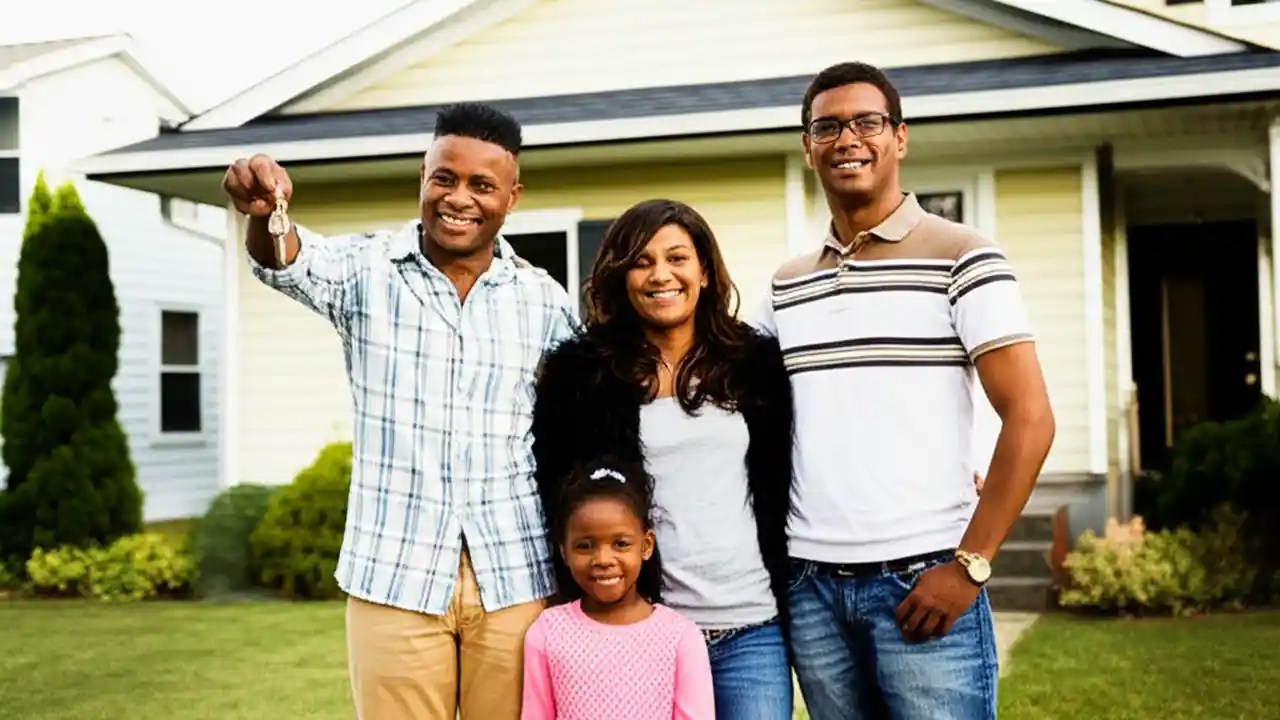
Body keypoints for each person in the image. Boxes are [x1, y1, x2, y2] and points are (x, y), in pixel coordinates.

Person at [221, 102, 579, 720]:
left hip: (516, 576)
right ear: (423, 176)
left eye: (482, 185)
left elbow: (585, 409)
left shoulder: (543, 300)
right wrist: (264, 214)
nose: (458, 198)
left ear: (512, 197)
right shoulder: (366, 272)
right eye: (445, 178)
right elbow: (285, 260)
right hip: (394, 574)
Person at [755, 61, 1056, 719]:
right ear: (807, 148)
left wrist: (970, 565)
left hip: (922, 576)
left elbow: (1031, 419)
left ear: (900, 137)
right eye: (826, 127)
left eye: (866, 122)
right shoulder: (786, 285)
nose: (846, 139)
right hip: (810, 587)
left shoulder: (964, 257)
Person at [532, 199, 795, 718]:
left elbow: (799, 464)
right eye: (642, 261)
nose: (661, 275)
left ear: (703, 270)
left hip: (749, 627)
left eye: (677, 257)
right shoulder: (582, 376)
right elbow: (555, 492)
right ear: (620, 276)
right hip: (641, 628)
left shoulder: (755, 364)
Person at [520, 457, 716, 720]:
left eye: (621, 544)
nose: (602, 559)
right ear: (563, 551)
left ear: (645, 546)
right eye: (585, 545)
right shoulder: (547, 632)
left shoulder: (680, 637)